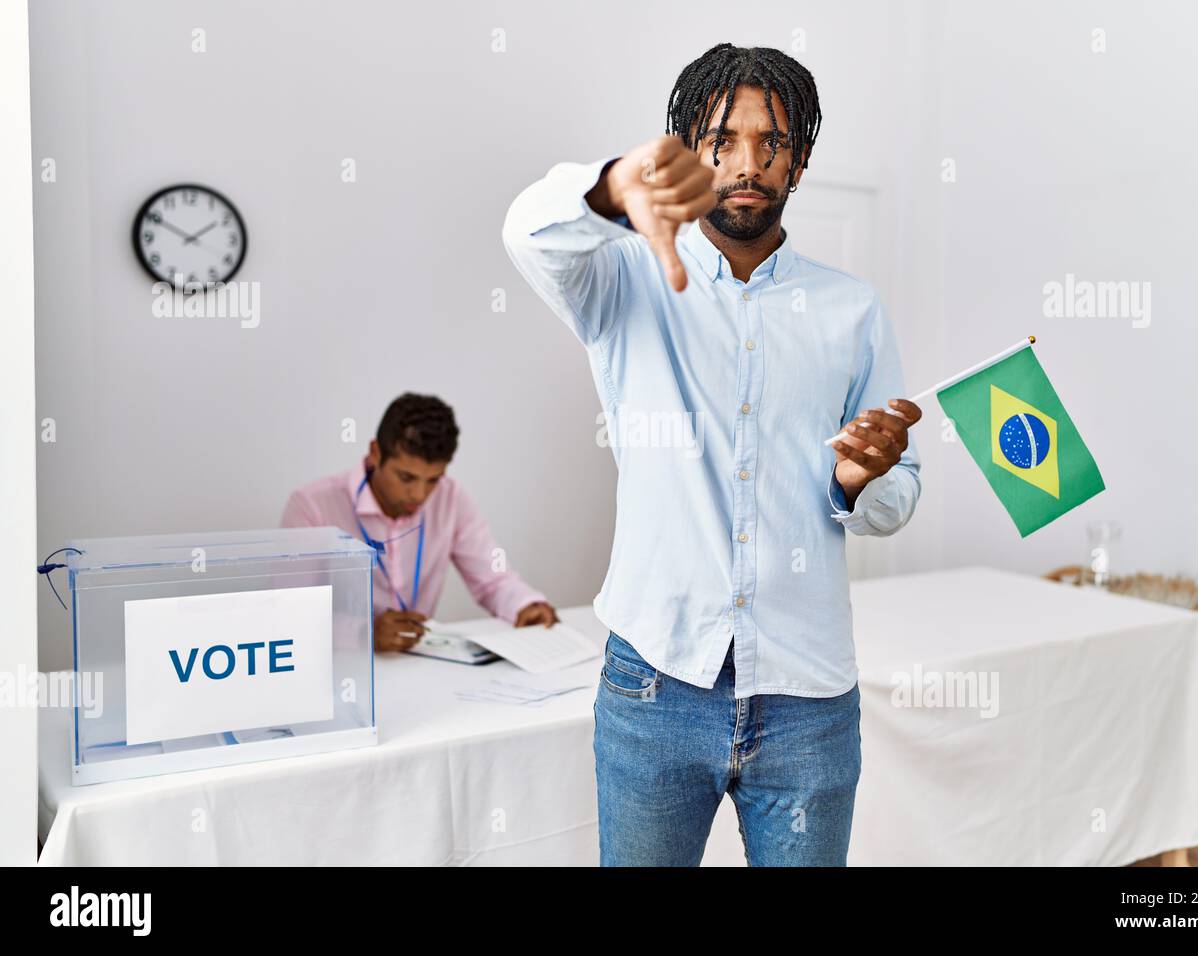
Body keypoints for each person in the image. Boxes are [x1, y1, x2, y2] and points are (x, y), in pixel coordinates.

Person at [503, 43, 922, 866]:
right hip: (653, 686)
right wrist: (610, 189)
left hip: (809, 698)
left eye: (773, 144)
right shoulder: (623, 277)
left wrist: (856, 483)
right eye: (723, 140)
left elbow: (898, 491)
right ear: (688, 148)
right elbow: (527, 233)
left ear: (798, 160)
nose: (748, 163)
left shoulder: (852, 310)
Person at [281, 392, 557, 652]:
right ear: (375, 453)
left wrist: (524, 603)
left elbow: (492, 578)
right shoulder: (312, 506)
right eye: (406, 477)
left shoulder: (451, 498)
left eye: (433, 479)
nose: (419, 495)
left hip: (416, 663)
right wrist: (365, 632)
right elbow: (288, 611)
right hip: (336, 664)